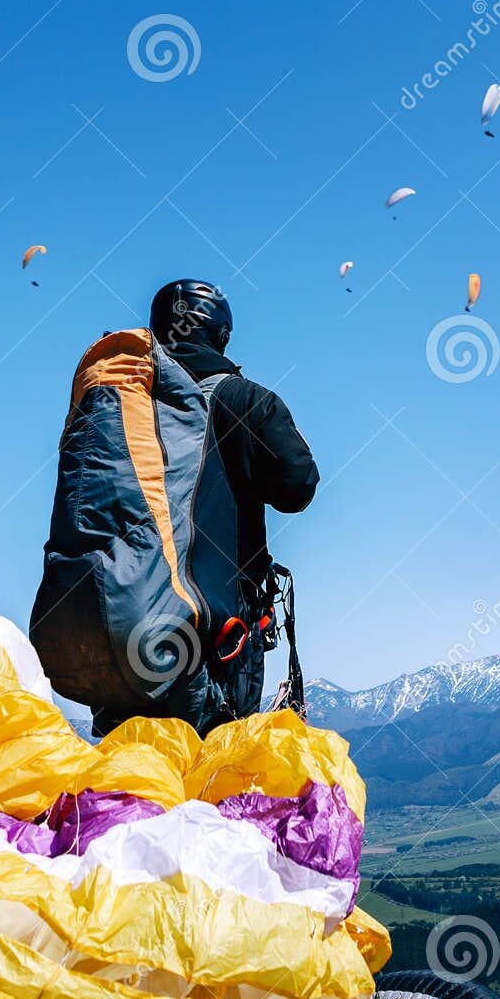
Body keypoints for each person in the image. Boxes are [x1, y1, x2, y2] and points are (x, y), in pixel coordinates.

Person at [125, 279, 318, 733]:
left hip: (125, 622)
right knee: (215, 758)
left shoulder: (124, 408)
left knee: (138, 762)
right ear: (221, 334)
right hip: (218, 632)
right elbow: (298, 487)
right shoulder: (244, 400)